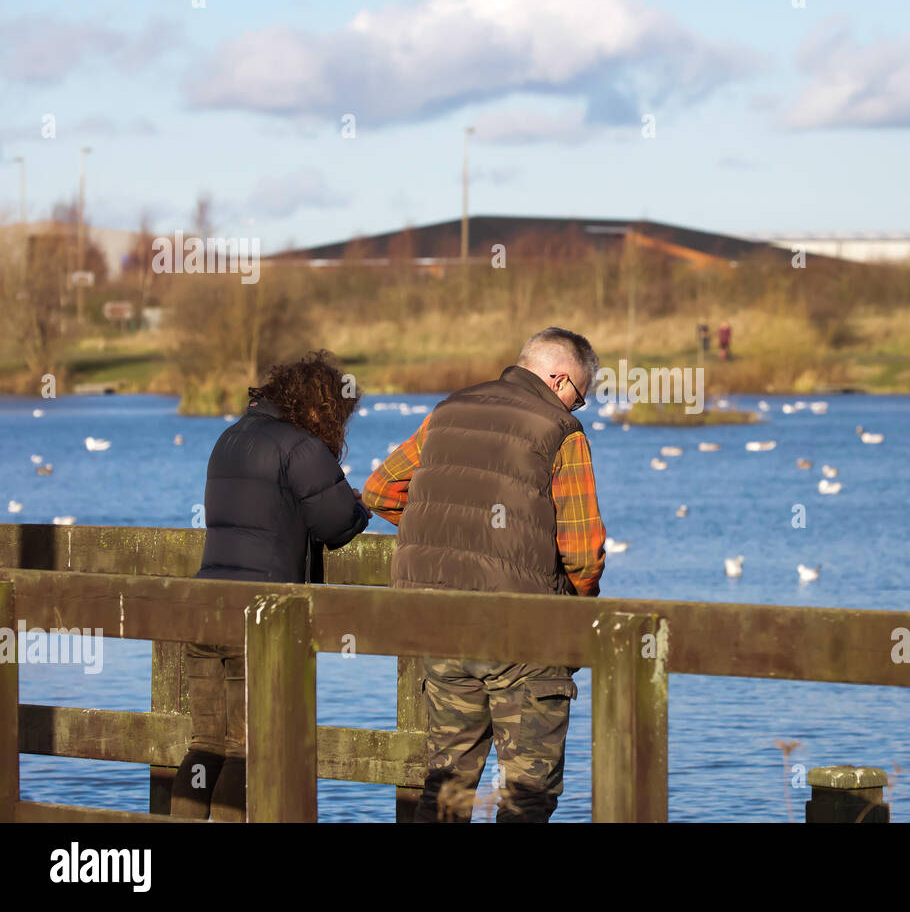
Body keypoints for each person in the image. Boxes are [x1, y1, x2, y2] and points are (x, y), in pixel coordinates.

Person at [363, 326, 606, 823]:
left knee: (447, 783)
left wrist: (447, 534)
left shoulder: (448, 411)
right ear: (561, 380)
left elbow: (381, 489)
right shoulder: (560, 430)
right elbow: (582, 551)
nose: (575, 409)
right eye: (578, 398)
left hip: (438, 622)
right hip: (524, 631)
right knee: (527, 792)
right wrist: (574, 616)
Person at [172, 350, 371, 821]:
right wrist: (360, 507)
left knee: (206, 745)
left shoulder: (229, 437)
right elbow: (338, 522)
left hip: (206, 611)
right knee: (247, 746)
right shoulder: (300, 447)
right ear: (323, 406)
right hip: (259, 619)